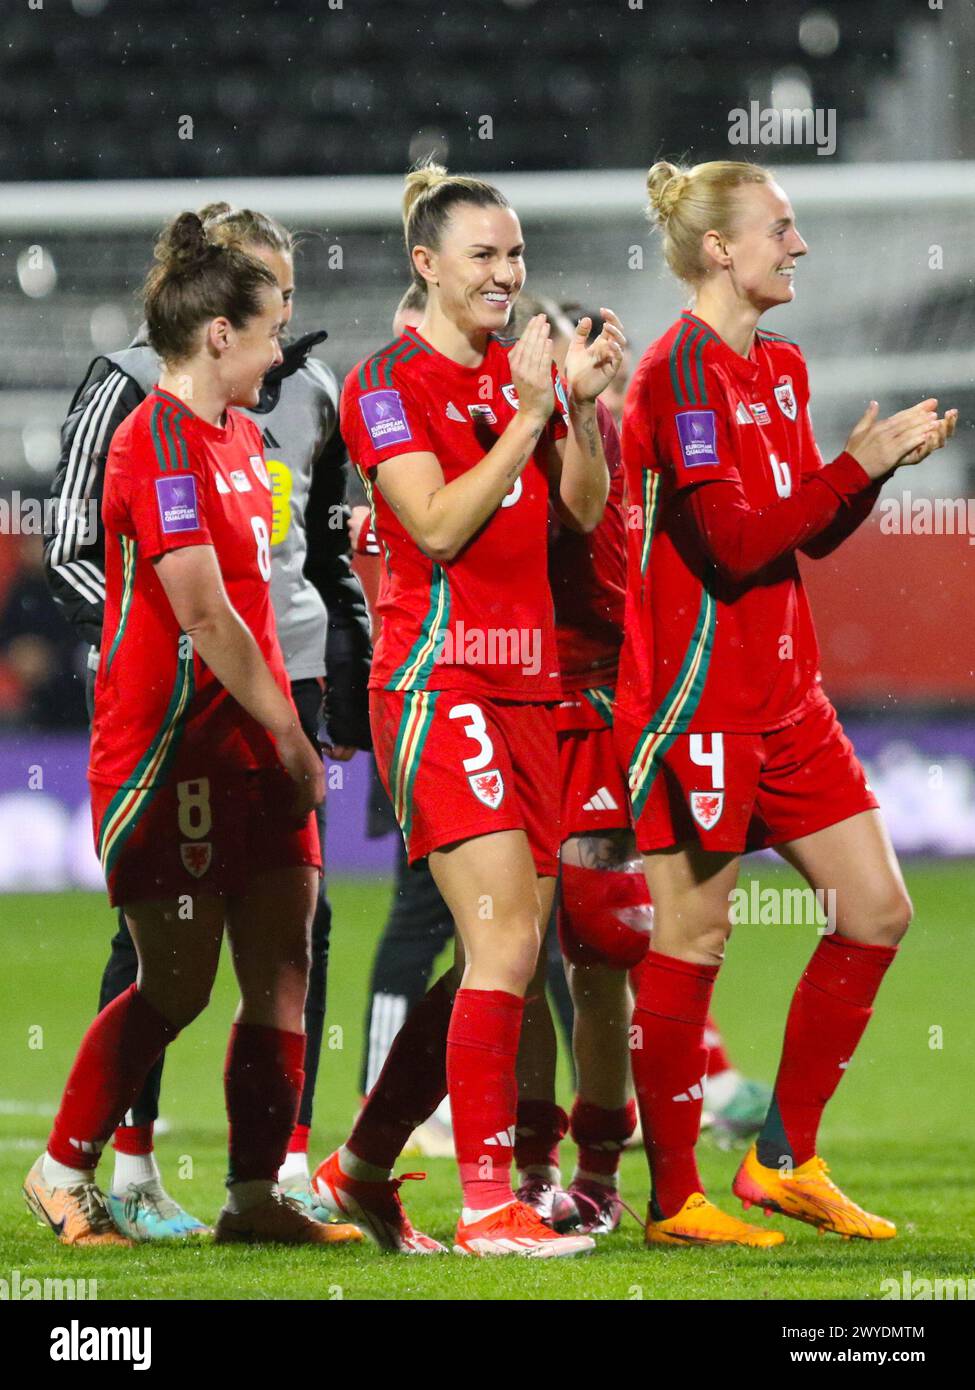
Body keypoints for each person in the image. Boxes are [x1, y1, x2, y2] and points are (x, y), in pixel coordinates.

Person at [615, 158, 956, 1247]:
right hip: (696, 701)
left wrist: (873, 468)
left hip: (787, 693)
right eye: (782, 227)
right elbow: (728, 545)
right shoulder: (677, 373)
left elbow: (801, 531)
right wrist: (852, 467)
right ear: (720, 249)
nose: (798, 245)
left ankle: (782, 1158)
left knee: (876, 907)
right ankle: (674, 1200)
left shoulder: (780, 365)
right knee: (696, 930)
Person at [24, 211, 362, 1248]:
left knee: (287, 955)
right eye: (268, 334)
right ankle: (63, 1166)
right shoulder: (156, 438)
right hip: (172, 748)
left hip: (250, 741)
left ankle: (255, 1192)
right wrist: (299, 744)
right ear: (219, 334)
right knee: (174, 976)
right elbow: (205, 613)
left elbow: (267, 599)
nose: (281, 354)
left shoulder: (242, 437)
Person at [313, 161, 624, 1257]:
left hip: (530, 685)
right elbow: (436, 525)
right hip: (440, 683)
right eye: (485, 255)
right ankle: (491, 1203)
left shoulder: (518, 376)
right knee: (502, 950)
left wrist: (575, 410)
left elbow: (580, 513)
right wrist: (529, 412)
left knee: (512, 946)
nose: (506, 274)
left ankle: (357, 1166)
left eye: (517, 254)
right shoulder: (383, 385)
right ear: (428, 265)